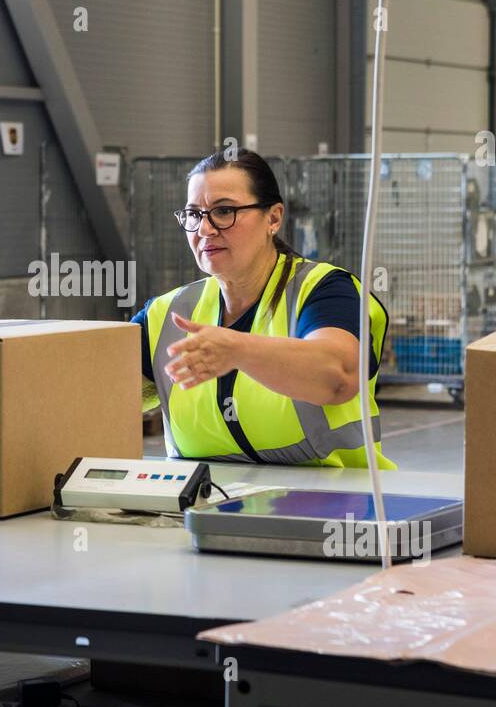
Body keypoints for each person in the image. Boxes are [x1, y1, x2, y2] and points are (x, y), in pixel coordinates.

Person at [131, 149, 394, 468]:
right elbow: (93, 393)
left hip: (334, 508)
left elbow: (336, 376)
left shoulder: (323, 290)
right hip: (203, 512)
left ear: (273, 218)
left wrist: (236, 349)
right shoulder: (166, 314)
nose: (205, 230)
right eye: (193, 214)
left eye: (224, 211)